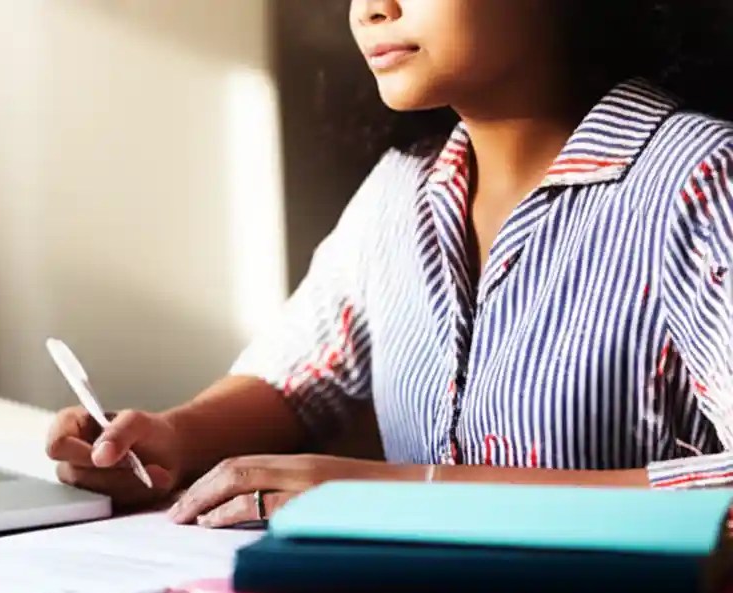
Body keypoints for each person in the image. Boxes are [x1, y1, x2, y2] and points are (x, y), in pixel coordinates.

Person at [46, 0, 733, 527]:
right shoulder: (404, 187)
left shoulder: (698, 181)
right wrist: (172, 438)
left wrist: (404, 493)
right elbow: (297, 380)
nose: (369, 7)